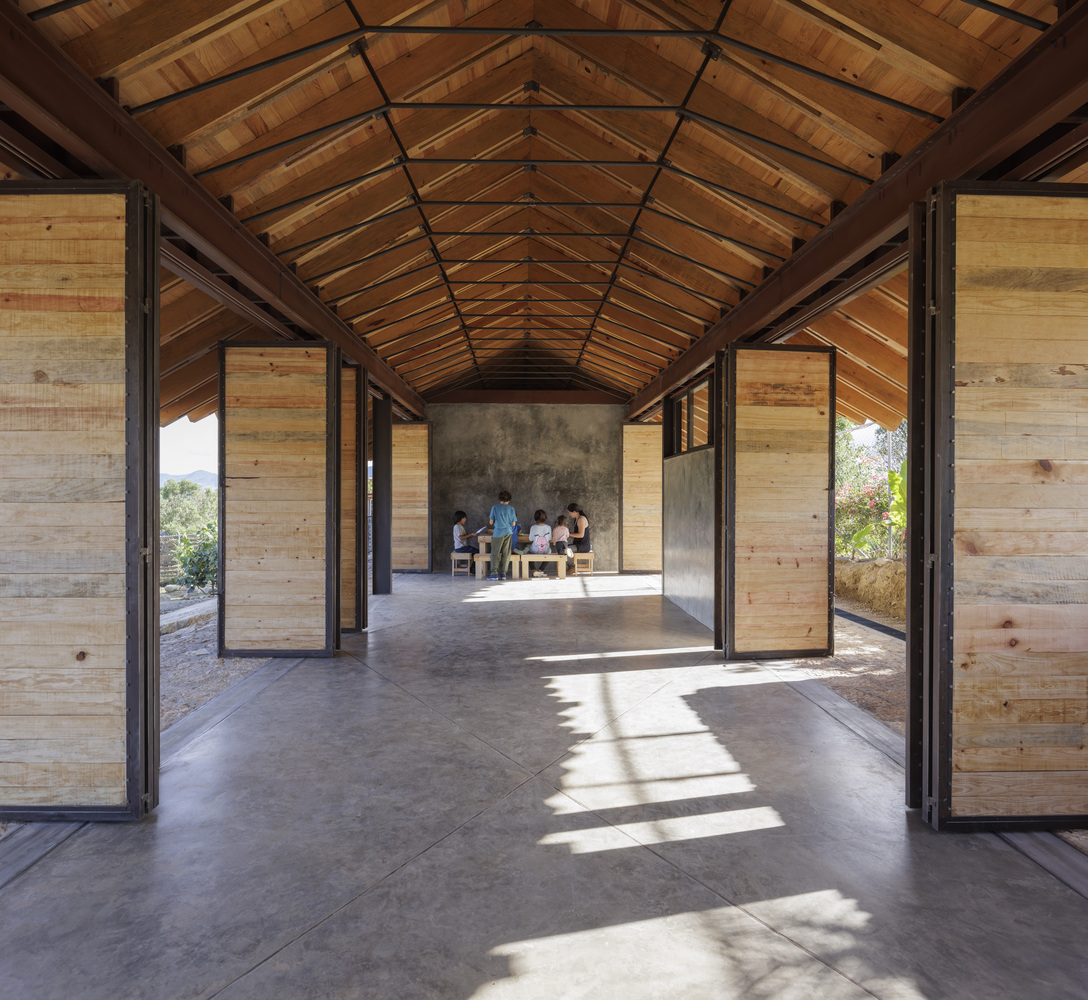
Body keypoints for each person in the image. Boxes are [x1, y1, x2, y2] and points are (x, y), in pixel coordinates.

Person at [488, 489, 517, 581]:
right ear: (509, 500)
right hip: (508, 532)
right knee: (506, 553)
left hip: (498, 533)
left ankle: (494, 573)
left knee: (495, 553)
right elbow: (513, 524)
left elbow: (491, 522)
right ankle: (503, 574)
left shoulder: (495, 507)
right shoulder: (511, 508)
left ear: (499, 498)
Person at [521, 509, 552, 578]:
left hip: (534, 550)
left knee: (528, 552)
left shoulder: (533, 527)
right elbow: (549, 538)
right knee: (549, 553)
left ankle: (533, 570)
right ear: (545, 518)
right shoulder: (548, 527)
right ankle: (541, 570)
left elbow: (530, 539)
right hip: (546, 550)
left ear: (535, 518)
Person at [565, 502, 591, 575]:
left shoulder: (581, 519)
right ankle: (571, 567)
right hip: (578, 545)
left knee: (564, 551)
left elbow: (581, 535)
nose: (569, 514)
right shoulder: (577, 519)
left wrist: (569, 534)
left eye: (569, 512)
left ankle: (572, 566)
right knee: (562, 548)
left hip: (583, 546)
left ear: (574, 512)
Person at [452, 510, 479, 575]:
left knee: (477, 552)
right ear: (460, 518)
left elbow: (464, 537)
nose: (465, 520)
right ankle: (472, 569)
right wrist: (470, 535)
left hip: (463, 547)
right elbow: (460, 537)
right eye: (464, 518)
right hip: (460, 548)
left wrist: (471, 535)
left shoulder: (460, 526)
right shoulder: (457, 527)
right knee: (477, 552)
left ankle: (472, 568)